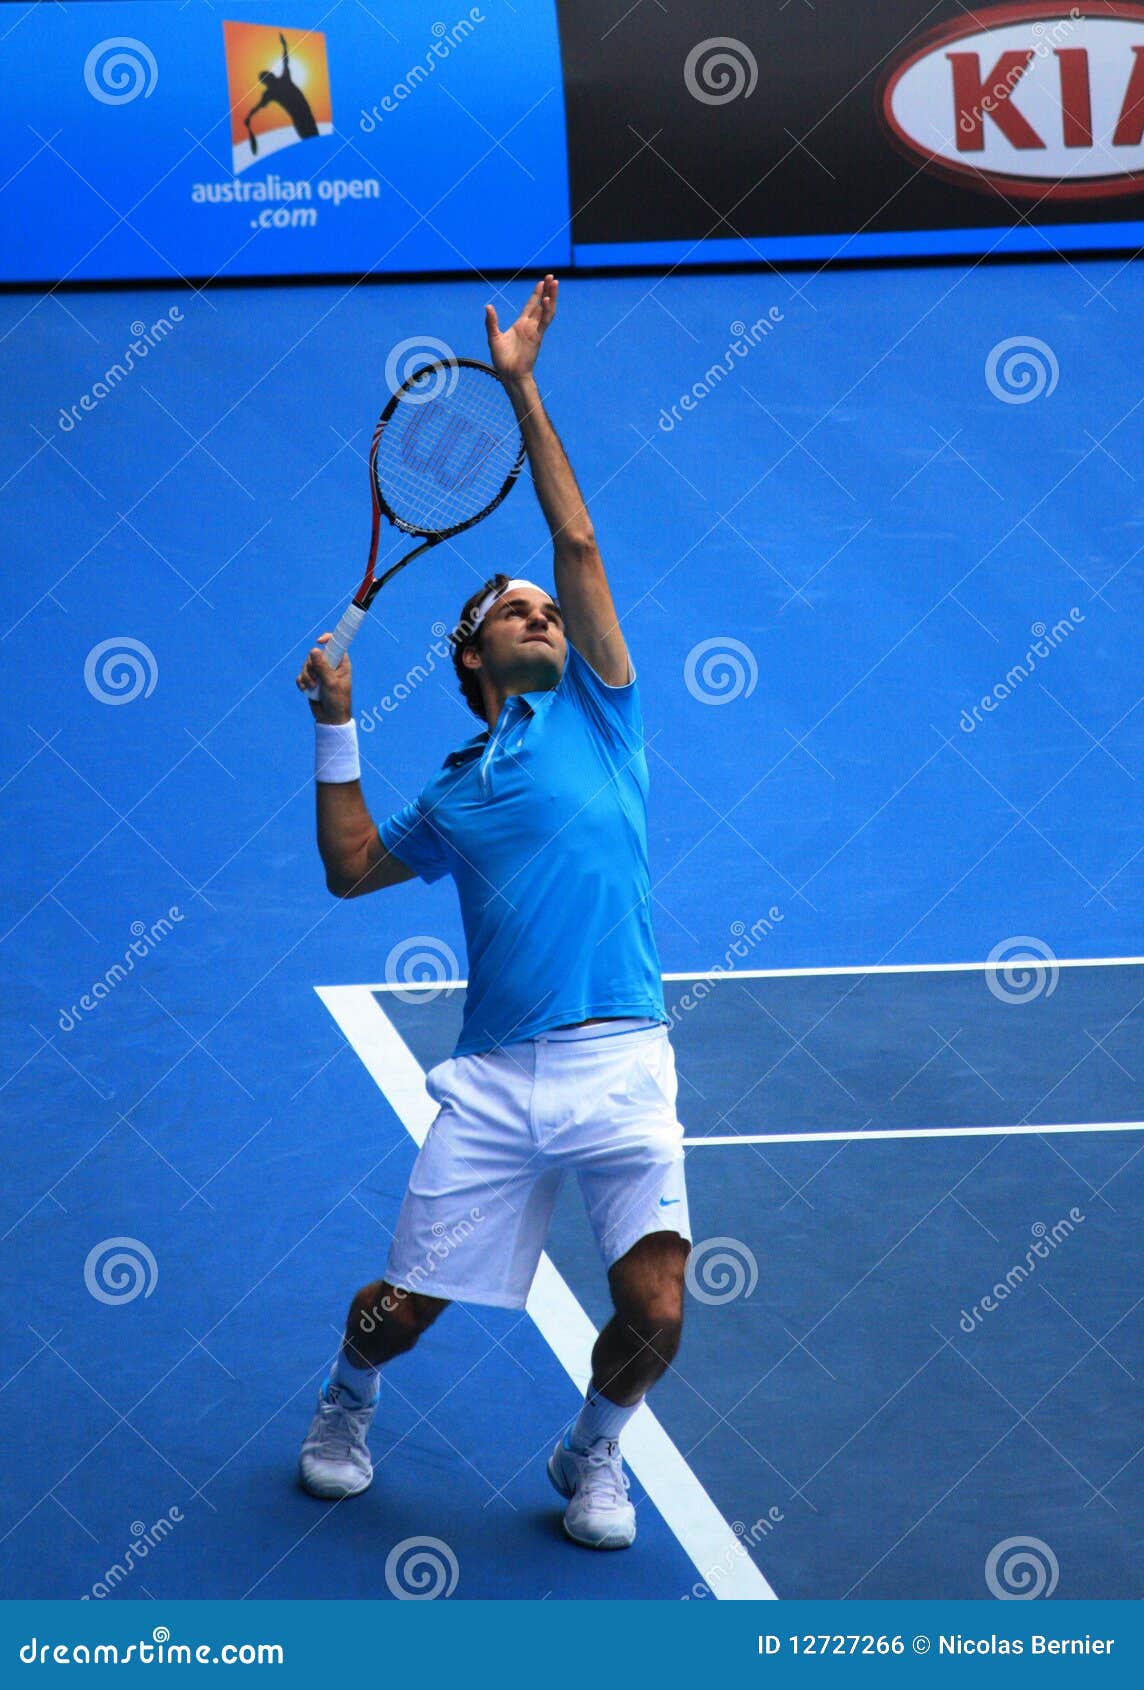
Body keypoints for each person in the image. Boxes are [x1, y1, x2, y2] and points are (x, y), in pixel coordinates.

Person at [294, 276, 691, 1551]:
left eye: (545, 607)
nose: (541, 609)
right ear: (472, 658)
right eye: (511, 608)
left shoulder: (603, 712)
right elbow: (352, 868)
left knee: (657, 1313)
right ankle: (345, 1401)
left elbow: (577, 548)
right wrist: (335, 723)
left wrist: (521, 381)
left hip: (624, 1053)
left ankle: (593, 1449)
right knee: (397, 1314)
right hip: (502, 1080)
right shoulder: (455, 793)